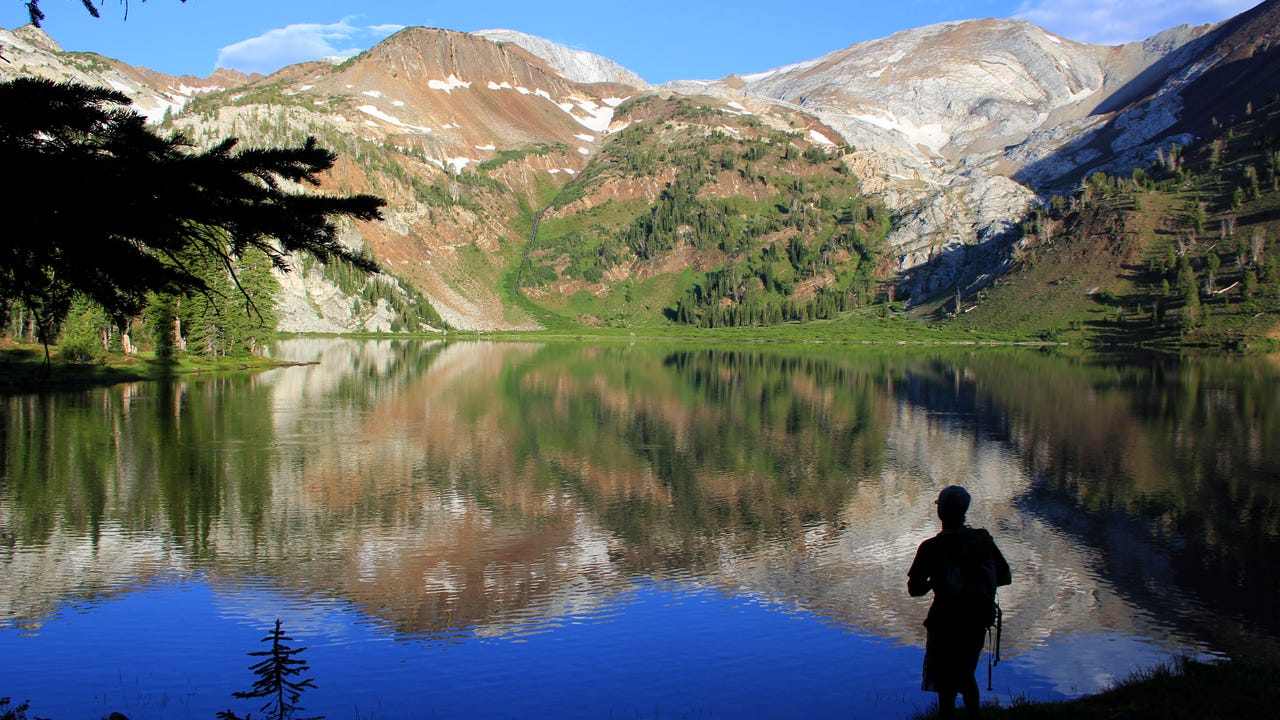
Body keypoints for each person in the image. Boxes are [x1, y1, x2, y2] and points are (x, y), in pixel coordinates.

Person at [908, 485, 1012, 719]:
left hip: (945, 622)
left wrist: (935, 583)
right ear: (964, 511)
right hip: (976, 620)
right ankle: (974, 715)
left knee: (945, 684)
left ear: (940, 511)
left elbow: (914, 590)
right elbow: (1005, 576)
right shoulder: (982, 540)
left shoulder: (931, 548)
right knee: (966, 674)